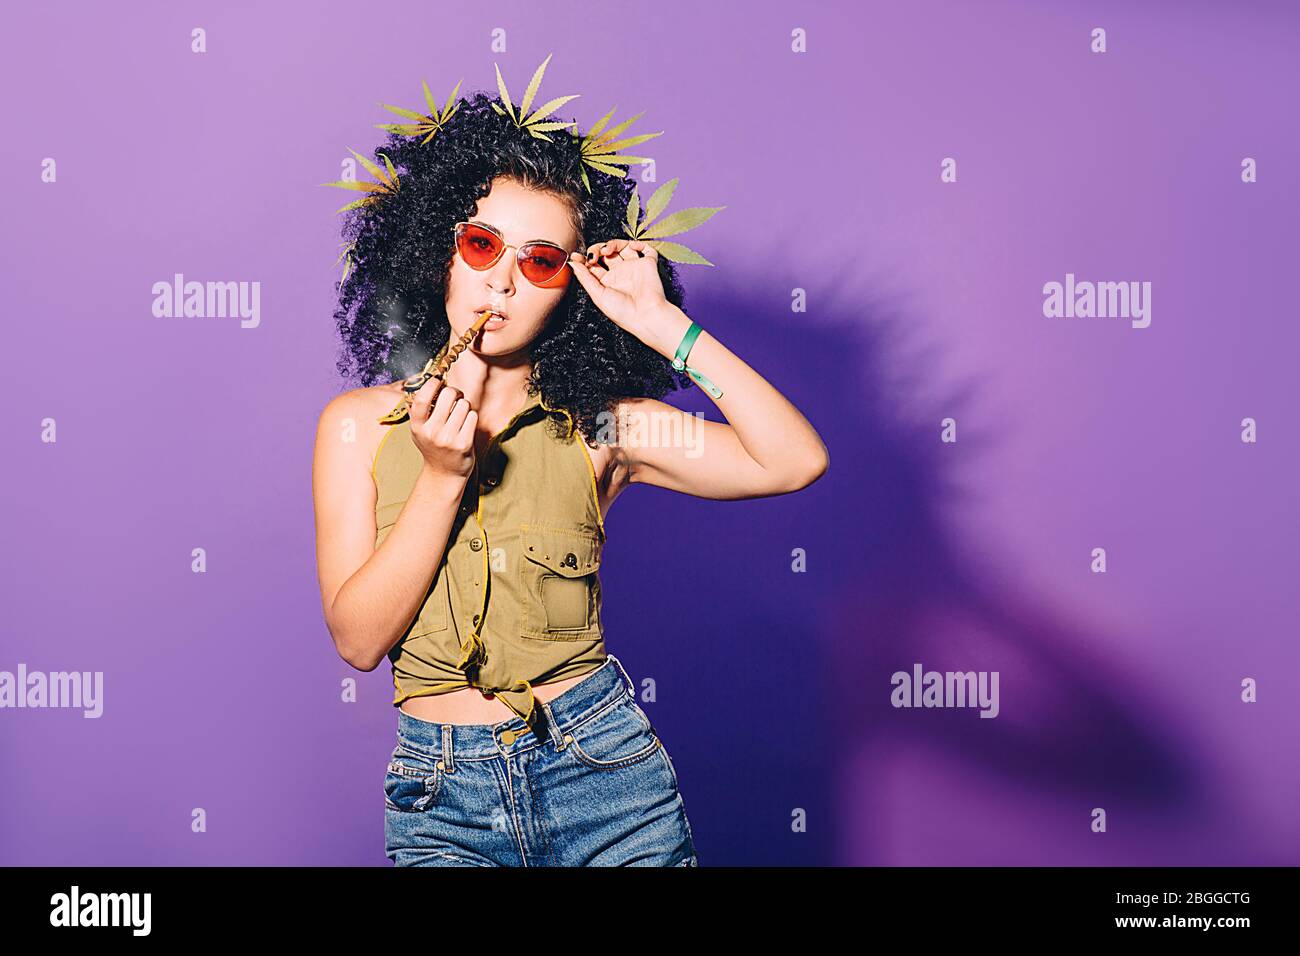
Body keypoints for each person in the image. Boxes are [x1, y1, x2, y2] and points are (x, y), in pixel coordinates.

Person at [311, 57, 829, 866]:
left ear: (569, 287)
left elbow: (792, 459)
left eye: (541, 260)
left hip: (606, 779)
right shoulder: (356, 428)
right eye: (482, 244)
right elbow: (358, 640)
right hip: (442, 797)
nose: (503, 282)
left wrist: (663, 326)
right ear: (438, 250)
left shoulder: (605, 431)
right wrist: (444, 479)